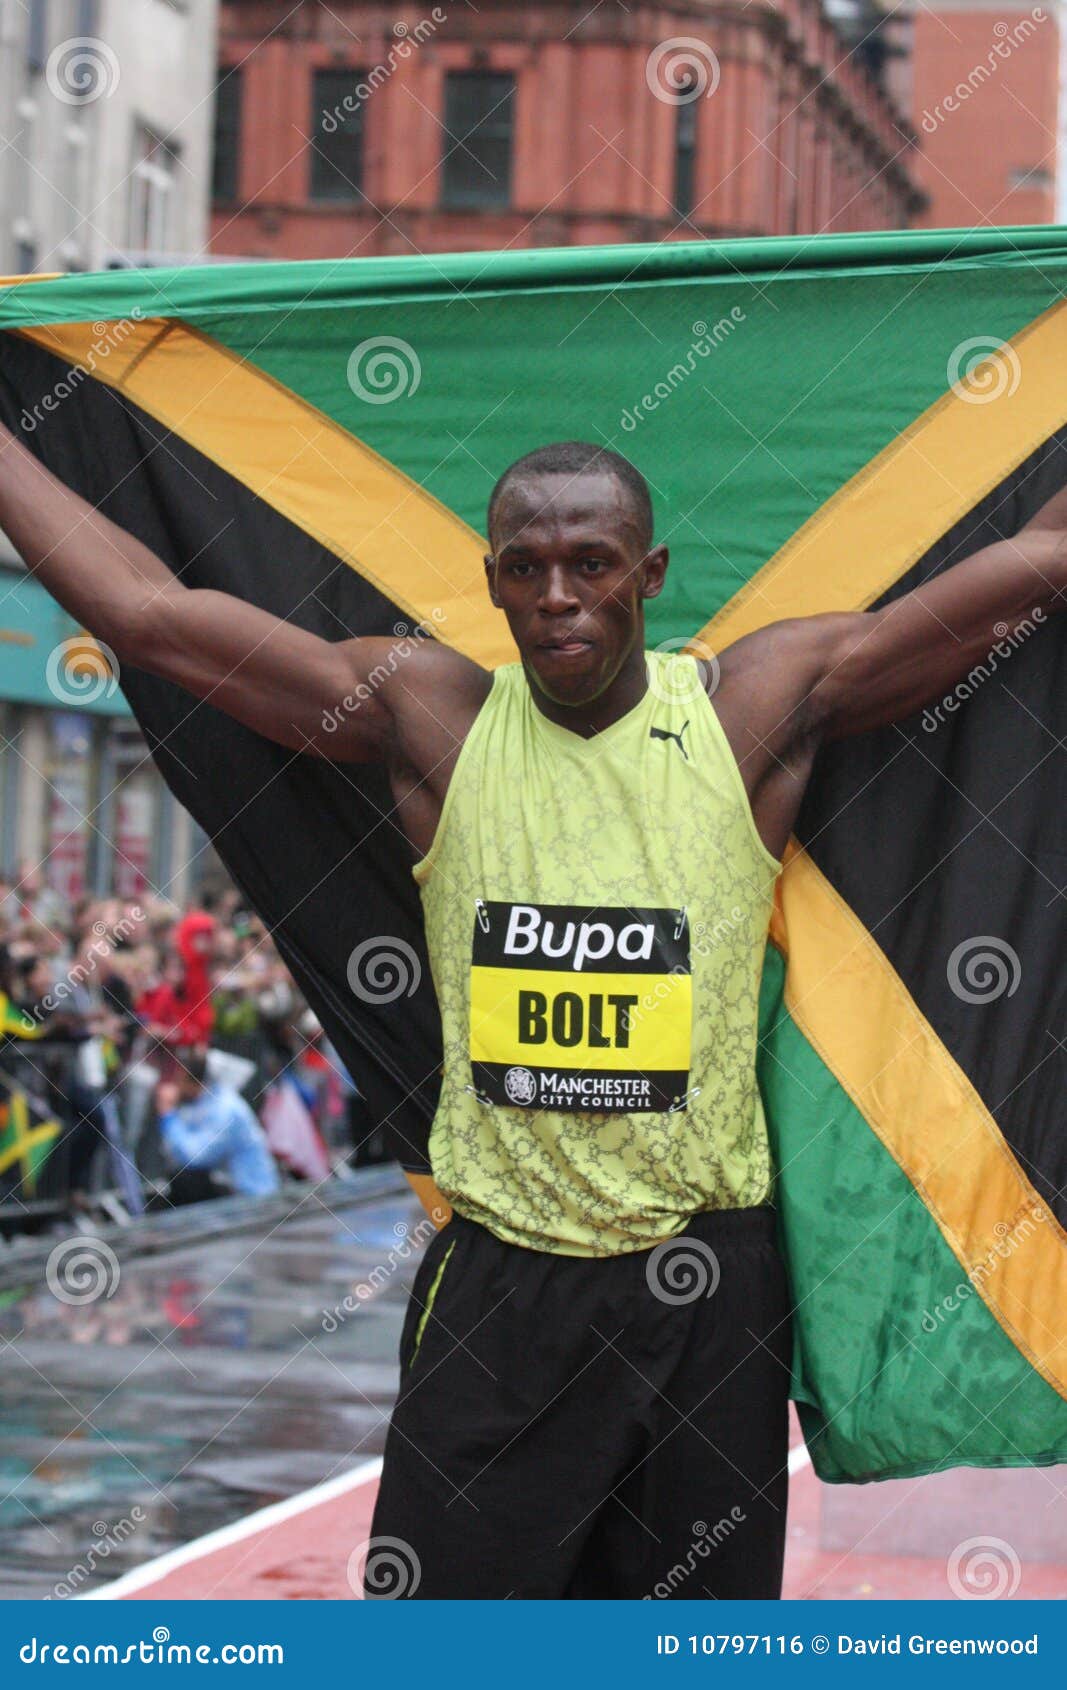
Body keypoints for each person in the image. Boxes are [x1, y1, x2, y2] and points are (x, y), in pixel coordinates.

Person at [1, 421, 1065, 1596]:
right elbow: (148, 617)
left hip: (700, 1288)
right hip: (502, 1291)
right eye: (526, 566)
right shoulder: (431, 718)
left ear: (648, 574)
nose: (559, 597)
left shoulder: (745, 710)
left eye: (592, 563)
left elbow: (1023, 570)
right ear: (492, 578)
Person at [154, 1047, 280, 1203]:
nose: (176, 1085)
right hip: (233, 1194)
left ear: (195, 1082)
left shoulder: (225, 1110)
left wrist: (168, 1115)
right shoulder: (205, 1103)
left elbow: (194, 1156)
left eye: (180, 1079)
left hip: (253, 1197)